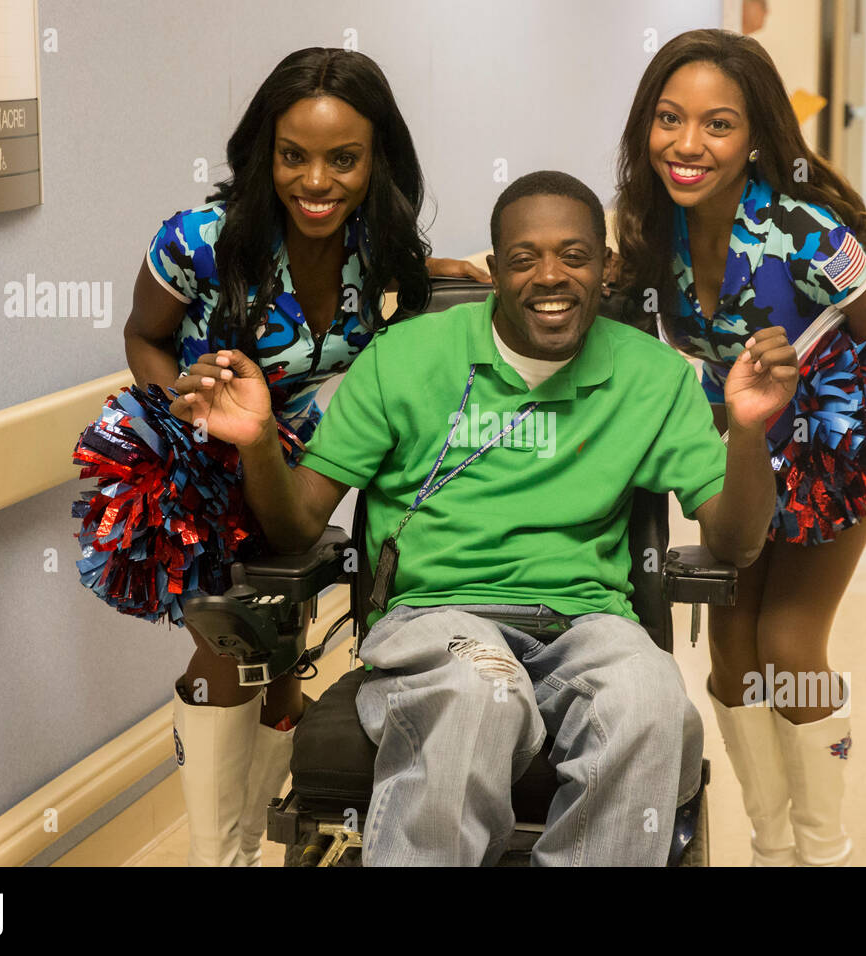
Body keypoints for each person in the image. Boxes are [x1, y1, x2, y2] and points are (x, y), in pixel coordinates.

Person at [168, 170, 801, 866]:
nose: (551, 277)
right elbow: (296, 527)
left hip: (590, 623)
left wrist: (747, 432)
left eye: (575, 255)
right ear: (497, 271)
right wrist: (259, 442)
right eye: (526, 259)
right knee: (484, 690)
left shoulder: (653, 377)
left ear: (606, 265)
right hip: (436, 619)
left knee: (651, 701)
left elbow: (736, 544)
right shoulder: (405, 360)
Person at [73, 48, 485, 867]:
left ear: (377, 161)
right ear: (266, 152)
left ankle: (255, 844)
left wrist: (454, 271)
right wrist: (184, 415)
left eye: (343, 158)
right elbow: (142, 334)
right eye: (293, 155)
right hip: (186, 465)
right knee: (229, 644)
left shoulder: (379, 245)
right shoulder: (200, 240)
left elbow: (405, 292)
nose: (316, 180)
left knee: (282, 654)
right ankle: (214, 858)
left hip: (287, 464)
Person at [613, 29, 866, 866]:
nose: (687, 145)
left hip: (840, 446)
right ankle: (770, 848)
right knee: (730, 653)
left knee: (789, 646)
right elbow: (591, 289)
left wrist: (828, 418)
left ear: (755, 135)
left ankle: (823, 852)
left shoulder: (809, 230)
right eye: (668, 119)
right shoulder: (654, 229)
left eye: (716, 125)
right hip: (750, 451)